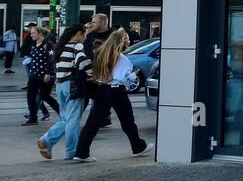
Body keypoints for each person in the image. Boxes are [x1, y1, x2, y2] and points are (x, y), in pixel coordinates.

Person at [72, 29, 151, 163]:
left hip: (102, 89)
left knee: (92, 123)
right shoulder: (122, 59)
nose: (129, 40)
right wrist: (132, 77)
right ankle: (138, 146)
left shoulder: (102, 54)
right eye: (126, 38)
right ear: (121, 41)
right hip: (117, 90)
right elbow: (123, 79)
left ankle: (81, 152)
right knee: (127, 121)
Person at [37, 24, 91, 161]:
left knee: (65, 119)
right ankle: (71, 151)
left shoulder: (61, 47)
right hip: (72, 85)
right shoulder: (77, 46)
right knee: (73, 120)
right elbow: (82, 63)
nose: (85, 38)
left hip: (60, 85)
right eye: (84, 34)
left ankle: (46, 141)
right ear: (78, 34)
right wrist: (92, 73)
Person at [23, 26, 60, 125]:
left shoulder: (48, 45)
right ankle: (33, 118)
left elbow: (51, 59)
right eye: (31, 33)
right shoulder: (34, 44)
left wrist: (48, 73)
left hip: (45, 75)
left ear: (40, 34)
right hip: (34, 74)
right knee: (30, 95)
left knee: (45, 96)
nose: (31, 35)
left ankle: (62, 114)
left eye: (33, 33)